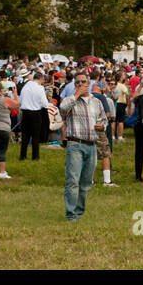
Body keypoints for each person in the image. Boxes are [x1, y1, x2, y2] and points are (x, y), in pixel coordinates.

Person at [59, 74, 107, 221]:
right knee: (73, 180)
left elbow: (104, 119)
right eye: (77, 82)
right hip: (75, 144)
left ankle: (79, 212)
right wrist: (77, 94)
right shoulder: (70, 100)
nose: (80, 84)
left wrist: (102, 126)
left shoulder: (96, 101)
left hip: (91, 145)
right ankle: (71, 214)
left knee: (86, 182)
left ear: (89, 83)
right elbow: (63, 108)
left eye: (83, 81)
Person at [18, 71, 48, 162]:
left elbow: (21, 99)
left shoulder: (25, 87)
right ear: (40, 79)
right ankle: (35, 156)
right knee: (35, 136)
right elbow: (44, 103)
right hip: (35, 113)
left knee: (25, 135)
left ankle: (22, 156)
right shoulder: (40, 88)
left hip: (25, 112)